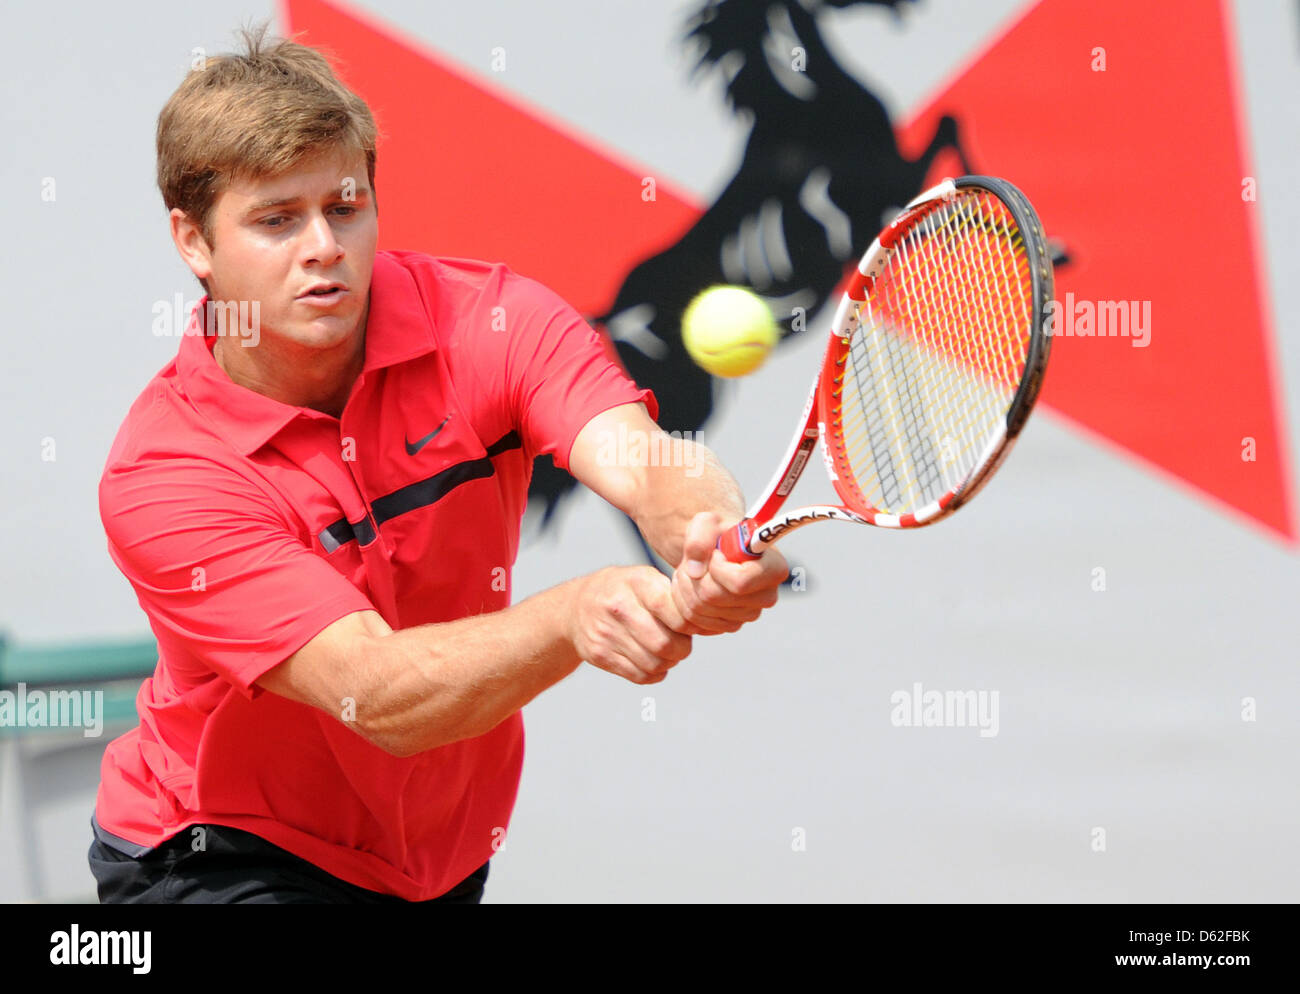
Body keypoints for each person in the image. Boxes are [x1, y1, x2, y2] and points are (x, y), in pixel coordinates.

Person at [87, 25, 787, 904]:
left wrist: (702, 532)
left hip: (439, 851)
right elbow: (372, 694)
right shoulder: (167, 474)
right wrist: (575, 613)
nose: (322, 247)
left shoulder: (491, 323)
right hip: (218, 850)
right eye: (275, 220)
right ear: (193, 242)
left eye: (344, 208)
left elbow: (642, 460)